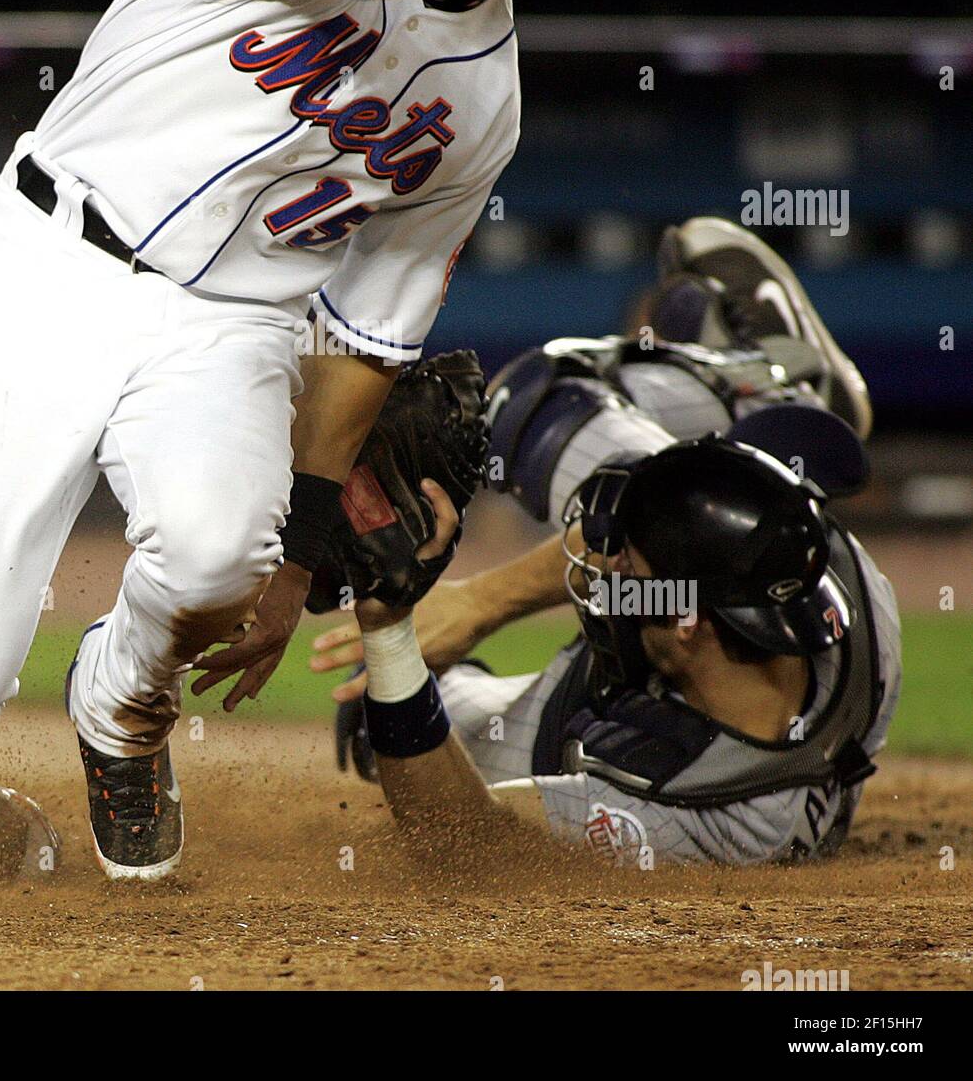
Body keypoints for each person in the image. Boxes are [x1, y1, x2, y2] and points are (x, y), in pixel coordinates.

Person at [0, 0, 651, 882]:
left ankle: (121, 705)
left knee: (222, 554)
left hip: (231, 325)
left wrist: (304, 550)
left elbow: (370, 334)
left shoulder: (483, 108)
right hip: (48, 264)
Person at [313, 219, 902, 864]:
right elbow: (726, 511)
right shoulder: (838, 579)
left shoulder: (709, 814)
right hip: (676, 647)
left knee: (389, 722)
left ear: (684, 618)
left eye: (625, 563)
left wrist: (393, 630)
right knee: (540, 406)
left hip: (593, 716)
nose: (600, 561)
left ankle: (761, 392)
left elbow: (469, 839)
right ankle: (778, 382)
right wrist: (482, 602)